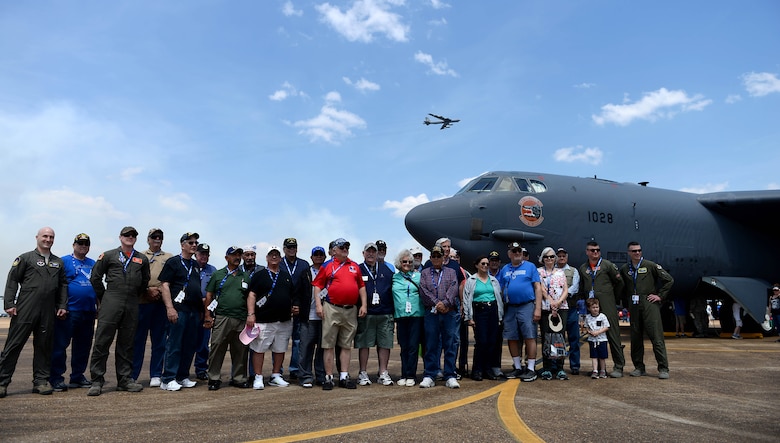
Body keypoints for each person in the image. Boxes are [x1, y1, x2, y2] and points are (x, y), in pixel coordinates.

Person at [0, 227, 68, 398]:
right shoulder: (25, 258)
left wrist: (62, 305)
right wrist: (9, 303)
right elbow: (12, 280)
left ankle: (41, 381)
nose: (48, 239)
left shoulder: (58, 262)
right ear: (37, 237)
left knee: (44, 346)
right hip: (26, 308)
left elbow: (62, 285)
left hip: (48, 310)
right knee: (13, 345)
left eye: (51, 237)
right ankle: (2, 382)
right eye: (45, 236)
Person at [87, 226, 150, 396]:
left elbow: (145, 281)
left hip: (132, 302)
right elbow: (95, 277)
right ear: (120, 237)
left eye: (133, 235)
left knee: (127, 343)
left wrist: (134, 295)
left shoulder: (142, 259)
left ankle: (124, 379)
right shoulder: (108, 255)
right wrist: (105, 296)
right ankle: (97, 380)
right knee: (102, 341)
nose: (130, 237)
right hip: (111, 299)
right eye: (127, 235)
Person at [312, 238, 367, 390]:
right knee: (328, 344)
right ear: (334, 250)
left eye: (347, 247)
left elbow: (361, 286)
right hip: (332, 308)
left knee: (346, 344)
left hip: (350, 310)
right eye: (342, 247)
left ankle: (344, 376)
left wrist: (364, 305)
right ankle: (328, 377)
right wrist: (318, 305)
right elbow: (318, 286)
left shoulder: (354, 266)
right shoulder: (327, 266)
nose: (345, 249)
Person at [246, 246, 299, 390]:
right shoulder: (260, 275)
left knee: (280, 348)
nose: (274, 257)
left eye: (276, 255)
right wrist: (251, 314)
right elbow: (252, 295)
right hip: (264, 320)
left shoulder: (285, 276)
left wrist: (294, 306)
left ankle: (276, 375)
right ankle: (258, 376)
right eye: (271, 255)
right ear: (267, 258)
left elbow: (292, 295)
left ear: (280, 258)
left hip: (283, 320)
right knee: (259, 348)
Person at [619, 242, 674, 379]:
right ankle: (639, 367)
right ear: (629, 253)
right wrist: (625, 302)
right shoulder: (625, 269)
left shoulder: (650, 266)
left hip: (649, 304)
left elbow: (669, 280)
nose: (637, 253)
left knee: (656, 337)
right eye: (634, 251)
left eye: (639, 250)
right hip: (634, 305)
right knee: (636, 338)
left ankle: (663, 368)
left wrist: (660, 296)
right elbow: (622, 286)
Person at [50, 233, 98, 391]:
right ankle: (56, 378)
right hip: (69, 311)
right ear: (74, 245)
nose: (83, 246)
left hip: (88, 311)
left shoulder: (93, 263)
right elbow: (57, 285)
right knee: (60, 345)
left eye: (86, 244)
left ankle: (77, 376)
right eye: (80, 243)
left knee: (83, 347)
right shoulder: (63, 261)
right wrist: (59, 306)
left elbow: (98, 286)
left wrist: (99, 306)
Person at [158, 232, 204, 391]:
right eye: (190, 242)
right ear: (182, 245)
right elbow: (165, 285)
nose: (194, 245)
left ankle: (182, 376)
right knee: (175, 344)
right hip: (179, 310)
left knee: (189, 345)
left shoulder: (195, 264)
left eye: (196, 242)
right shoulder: (173, 262)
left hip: (193, 311)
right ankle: (168, 378)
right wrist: (170, 308)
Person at [203, 246, 250, 391]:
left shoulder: (245, 276)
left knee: (241, 349)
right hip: (222, 317)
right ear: (226, 258)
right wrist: (207, 315)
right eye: (233, 255)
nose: (237, 257)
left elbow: (249, 297)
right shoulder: (218, 274)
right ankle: (214, 378)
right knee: (217, 346)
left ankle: (238, 378)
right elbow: (209, 295)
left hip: (241, 317)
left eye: (239, 255)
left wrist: (250, 315)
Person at [133, 228, 173, 387]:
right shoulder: (139, 256)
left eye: (160, 237)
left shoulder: (169, 257)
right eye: (154, 237)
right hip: (142, 302)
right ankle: (133, 374)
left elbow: (172, 279)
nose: (157, 239)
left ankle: (156, 374)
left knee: (159, 341)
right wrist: (147, 290)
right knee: (138, 341)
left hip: (160, 304)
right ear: (148, 239)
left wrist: (159, 291)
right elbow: (135, 277)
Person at [578, 241, 625, 378]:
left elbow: (619, 282)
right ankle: (597, 369)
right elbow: (582, 286)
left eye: (597, 250)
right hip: (591, 305)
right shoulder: (583, 268)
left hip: (607, 304)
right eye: (592, 250)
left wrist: (612, 297)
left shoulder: (607, 265)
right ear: (587, 252)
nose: (595, 252)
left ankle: (619, 366)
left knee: (613, 334)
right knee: (594, 336)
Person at [498, 242, 541, 382]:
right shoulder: (505, 269)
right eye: (514, 251)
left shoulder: (530, 267)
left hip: (526, 305)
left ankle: (531, 368)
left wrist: (538, 308)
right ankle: (517, 367)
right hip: (510, 307)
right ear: (509, 254)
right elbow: (500, 288)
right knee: (512, 337)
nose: (517, 253)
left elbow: (537, 287)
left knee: (529, 336)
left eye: (519, 251)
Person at [419, 245, 461, 389]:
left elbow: (454, 288)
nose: (436, 258)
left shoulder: (451, 272)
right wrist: (437, 303)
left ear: (443, 257)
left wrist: (445, 303)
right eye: (434, 256)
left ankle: (450, 375)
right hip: (432, 313)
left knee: (450, 343)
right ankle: (430, 374)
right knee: (431, 344)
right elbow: (423, 290)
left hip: (449, 312)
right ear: (431, 258)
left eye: (439, 256)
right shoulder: (425, 273)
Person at [355, 242, 395, 386]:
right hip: (366, 313)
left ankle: (383, 372)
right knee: (364, 343)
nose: (371, 254)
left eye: (373, 251)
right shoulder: (358, 269)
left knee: (384, 343)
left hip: (385, 312)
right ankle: (363, 372)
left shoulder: (387, 270)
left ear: (377, 254)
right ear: (363, 253)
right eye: (368, 251)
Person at [463, 255, 503, 381]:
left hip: (493, 310)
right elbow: (466, 299)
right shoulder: (471, 280)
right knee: (482, 341)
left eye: (487, 264)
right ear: (477, 265)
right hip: (479, 311)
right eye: (483, 263)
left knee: (492, 341)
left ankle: (487, 369)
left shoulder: (494, 280)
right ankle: (477, 370)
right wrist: (469, 317)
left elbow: (499, 298)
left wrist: (499, 316)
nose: (485, 266)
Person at [392, 249, 424, 386]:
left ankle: (411, 375)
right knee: (404, 346)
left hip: (416, 315)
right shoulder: (394, 277)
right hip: (401, 316)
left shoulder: (419, 276)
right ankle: (404, 374)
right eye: (404, 261)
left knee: (413, 346)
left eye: (410, 262)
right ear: (400, 263)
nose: (407, 264)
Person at [281, 237, 311, 381]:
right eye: (289, 247)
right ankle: (277, 371)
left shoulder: (304, 264)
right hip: (282, 307)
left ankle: (295, 369)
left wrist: (298, 305)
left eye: (294, 247)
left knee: (298, 340)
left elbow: (307, 288)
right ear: (284, 249)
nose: (291, 249)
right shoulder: (279, 263)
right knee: (280, 340)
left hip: (299, 307)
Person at [537, 247, 569, 381]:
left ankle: (560, 367)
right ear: (542, 259)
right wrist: (551, 302)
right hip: (546, 307)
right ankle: (547, 368)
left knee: (560, 337)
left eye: (551, 256)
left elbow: (565, 289)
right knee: (547, 337)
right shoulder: (539, 272)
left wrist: (558, 302)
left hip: (562, 307)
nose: (549, 259)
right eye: (546, 257)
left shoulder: (561, 272)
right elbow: (541, 289)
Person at [297, 246, 327, 388]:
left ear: (325, 257)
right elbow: (297, 292)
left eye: (321, 254)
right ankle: (305, 376)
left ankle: (321, 376)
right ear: (311, 257)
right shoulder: (305, 273)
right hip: (308, 316)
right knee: (306, 348)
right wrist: (296, 305)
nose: (318, 257)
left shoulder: (329, 271)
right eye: (316, 254)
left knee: (322, 348)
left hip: (325, 316)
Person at [555, 247, 581, 375]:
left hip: (570, 309)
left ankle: (575, 366)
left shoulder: (573, 271)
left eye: (563, 256)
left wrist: (561, 296)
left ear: (567, 257)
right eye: (559, 256)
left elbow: (575, 288)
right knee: (557, 339)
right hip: (557, 310)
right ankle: (557, 365)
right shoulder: (552, 271)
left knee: (574, 338)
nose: (561, 258)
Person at [194, 243, 217, 380]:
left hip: (206, 311)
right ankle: (181, 370)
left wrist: (209, 304)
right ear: (195, 254)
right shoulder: (190, 267)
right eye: (201, 253)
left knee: (203, 343)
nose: (204, 256)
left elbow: (216, 291)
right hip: (191, 309)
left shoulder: (213, 270)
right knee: (187, 341)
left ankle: (201, 369)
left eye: (206, 254)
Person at [585, 298, 610, 379]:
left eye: (597, 307)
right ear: (589, 308)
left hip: (602, 340)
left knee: (602, 357)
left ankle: (602, 370)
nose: (595, 309)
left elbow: (607, 327)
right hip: (592, 340)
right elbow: (586, 327)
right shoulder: (588, 317)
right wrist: (589, 332)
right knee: (594, 356)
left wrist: (598, 332)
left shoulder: (602, 316)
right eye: (593, 307)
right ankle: (595, 370)